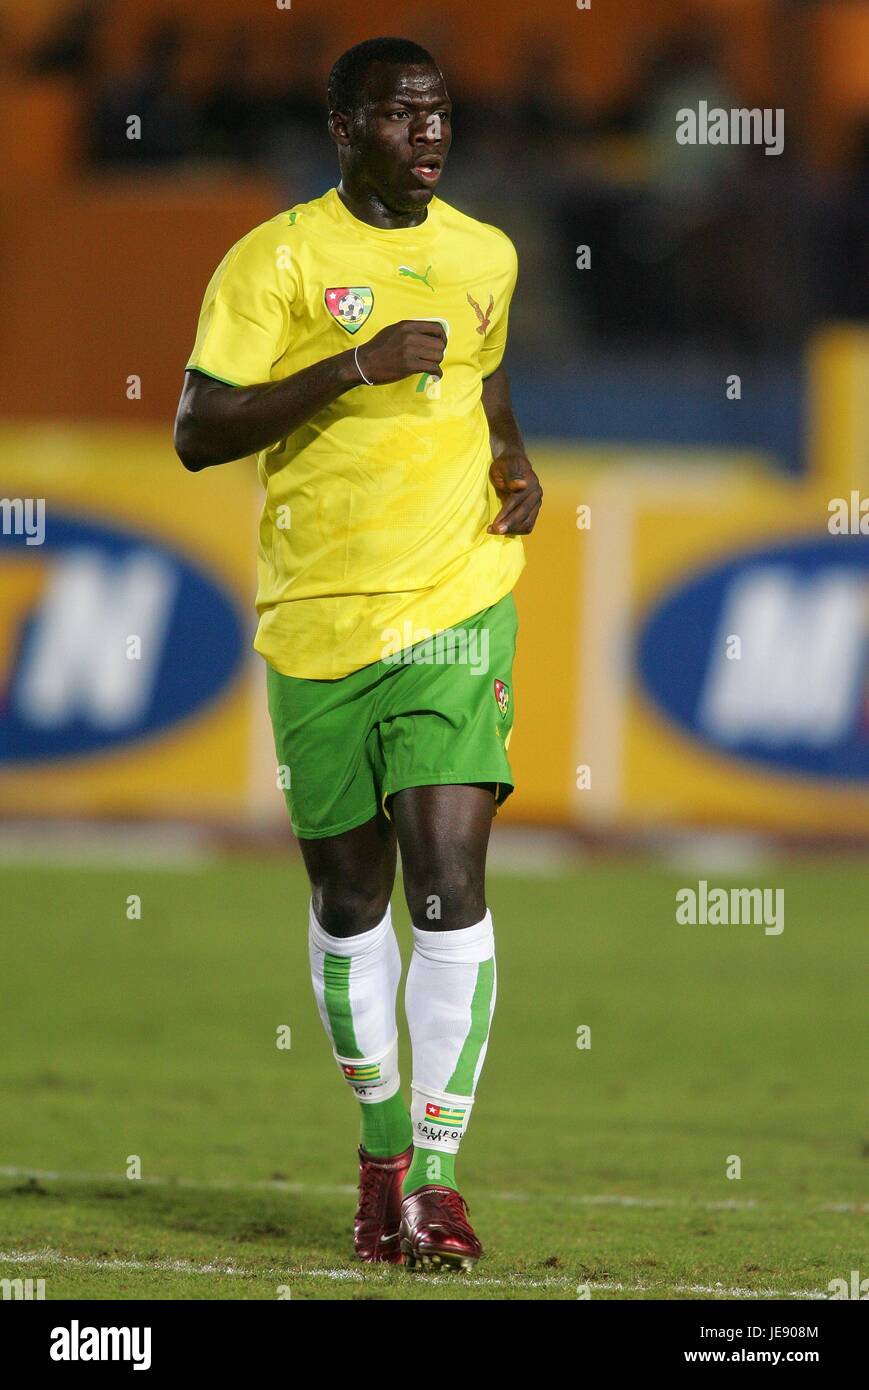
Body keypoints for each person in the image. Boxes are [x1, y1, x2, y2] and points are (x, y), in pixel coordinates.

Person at [174, 36, 542, 1271]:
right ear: (344, 128)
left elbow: (483, 375)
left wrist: (510, 454)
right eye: (399, 116)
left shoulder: (485, 252)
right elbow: (196, 427)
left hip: (454, 603)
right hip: (320, 622)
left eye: (438, 113)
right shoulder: (274, 259)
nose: (427, 135)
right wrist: (350, 366)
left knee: (450, 887)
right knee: (349, 899)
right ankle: (381, 1147)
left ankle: (437, 1178)